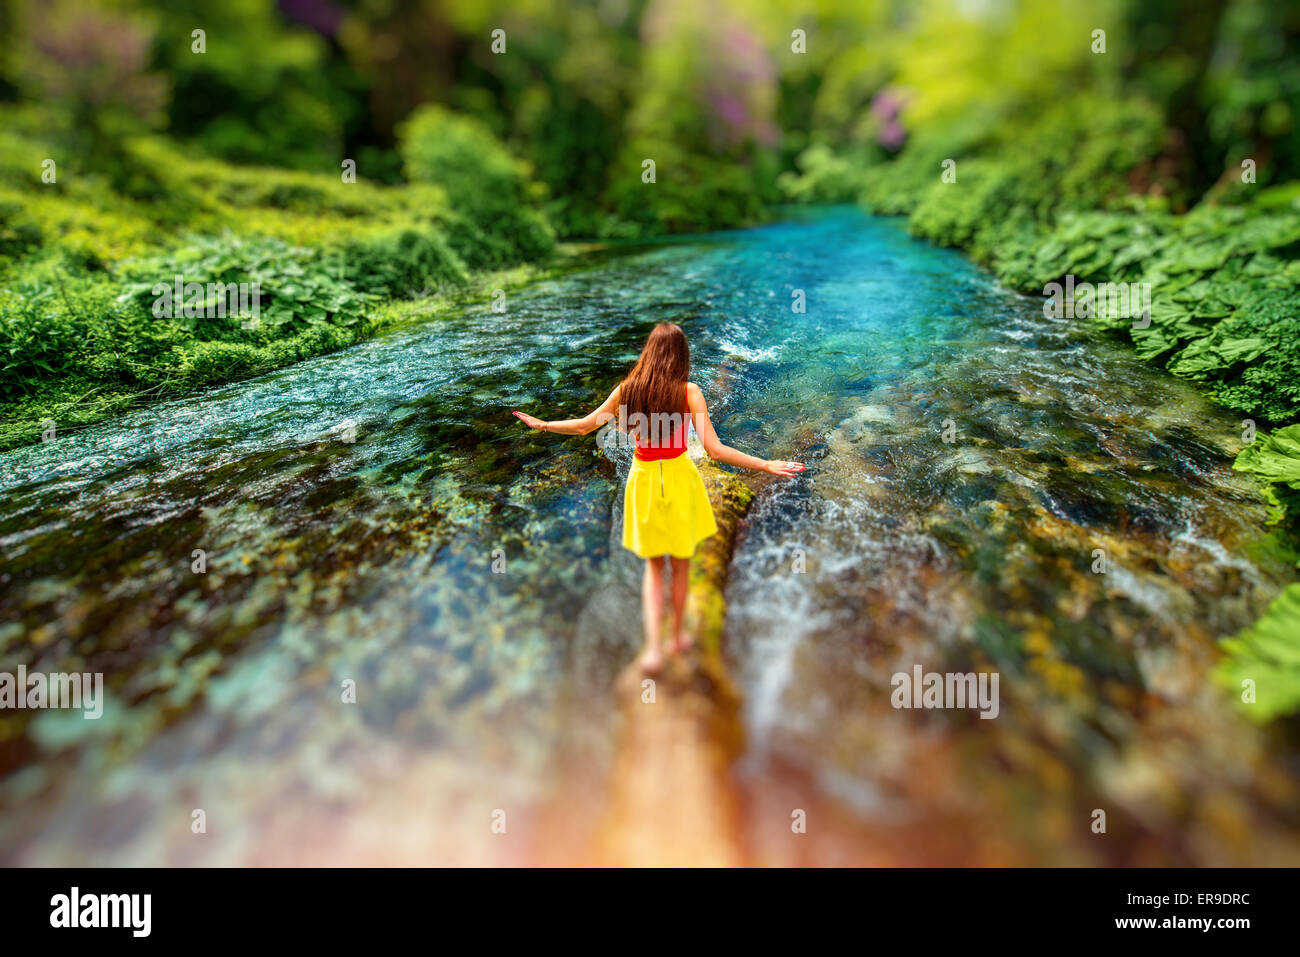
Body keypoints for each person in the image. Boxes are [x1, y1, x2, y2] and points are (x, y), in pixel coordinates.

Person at [514, 322, 804, 673]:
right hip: (681, 479)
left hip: (644, 481)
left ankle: (653, 650)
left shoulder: (627, 390)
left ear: (649, 352)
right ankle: (676, 639)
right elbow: (714, 450)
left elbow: (583, 426)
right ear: (681, 354)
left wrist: (543, 424)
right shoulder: (690, 392)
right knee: (680, 564)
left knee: (654, 570)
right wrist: (765, 464)